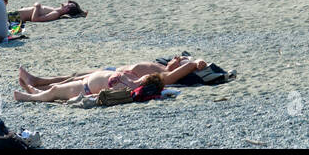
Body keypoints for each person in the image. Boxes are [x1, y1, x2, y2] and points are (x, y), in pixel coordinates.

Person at [13, 58, 206, 103]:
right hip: (111, 73)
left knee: (73, 81)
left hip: (111, 78)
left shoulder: (164, 76)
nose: (176, 59)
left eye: (180, 60)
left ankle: (38, 87)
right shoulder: (160, 67)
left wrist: (195, 62)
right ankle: (37, 83)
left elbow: (191, 66)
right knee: (73, 76)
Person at [10, 0, 87, 23]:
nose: (66, 2)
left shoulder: (55, 14)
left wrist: (37, 6)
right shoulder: (54, 10)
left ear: (67, 9)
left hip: (16, 17)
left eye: (68, 4)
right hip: (16, 14)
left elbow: (35, 19)